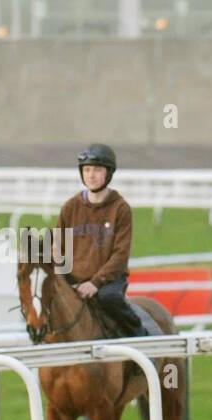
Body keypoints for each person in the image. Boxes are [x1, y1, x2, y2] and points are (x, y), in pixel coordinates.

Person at [55, 142, 145, 337]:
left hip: (107, 283)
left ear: (108, 173)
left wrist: (95, 283)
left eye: (97, 169)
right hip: (74, 281)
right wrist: (64, 281)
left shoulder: (120, 209)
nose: (91, 175)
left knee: (108, 298)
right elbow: (58, 249)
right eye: (86, 170)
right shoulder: (70, 208)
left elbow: (120, 255)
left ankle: (141, 340)